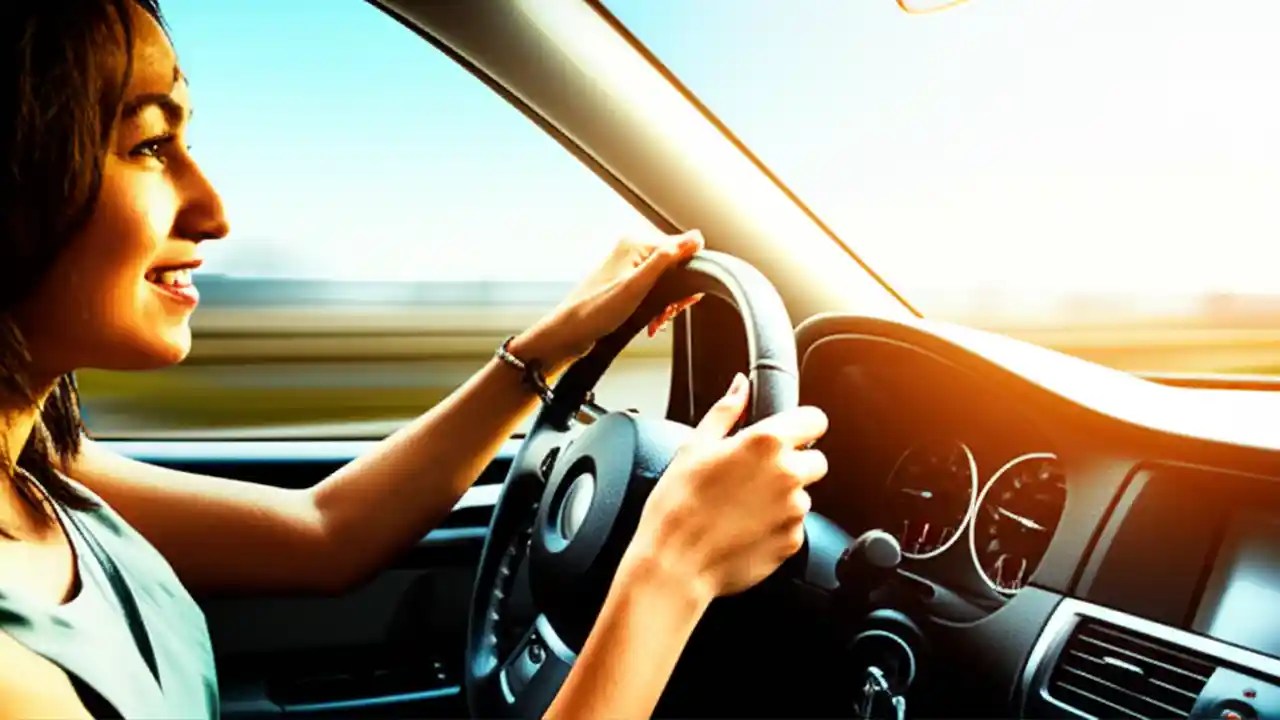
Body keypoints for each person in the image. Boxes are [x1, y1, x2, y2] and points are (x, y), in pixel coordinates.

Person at [0, 1, 829, 718]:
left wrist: (549, 346)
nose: (213, 212)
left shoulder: (39, 470)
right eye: (149, 145)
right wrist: (673, 565)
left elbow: (325, 534)